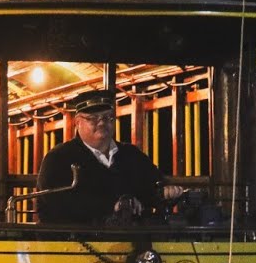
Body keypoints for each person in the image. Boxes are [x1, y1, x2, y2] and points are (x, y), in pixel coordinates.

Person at [36, 89, 184, 224]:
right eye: (93, 118)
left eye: (107, 117)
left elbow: (152, 187)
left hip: (132, 240)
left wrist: (166, 193)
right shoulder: (58, 158)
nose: (101, 123)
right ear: (77, 122)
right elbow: (55, 204)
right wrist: (111, 207)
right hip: (78, 244)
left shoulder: (132, 155)